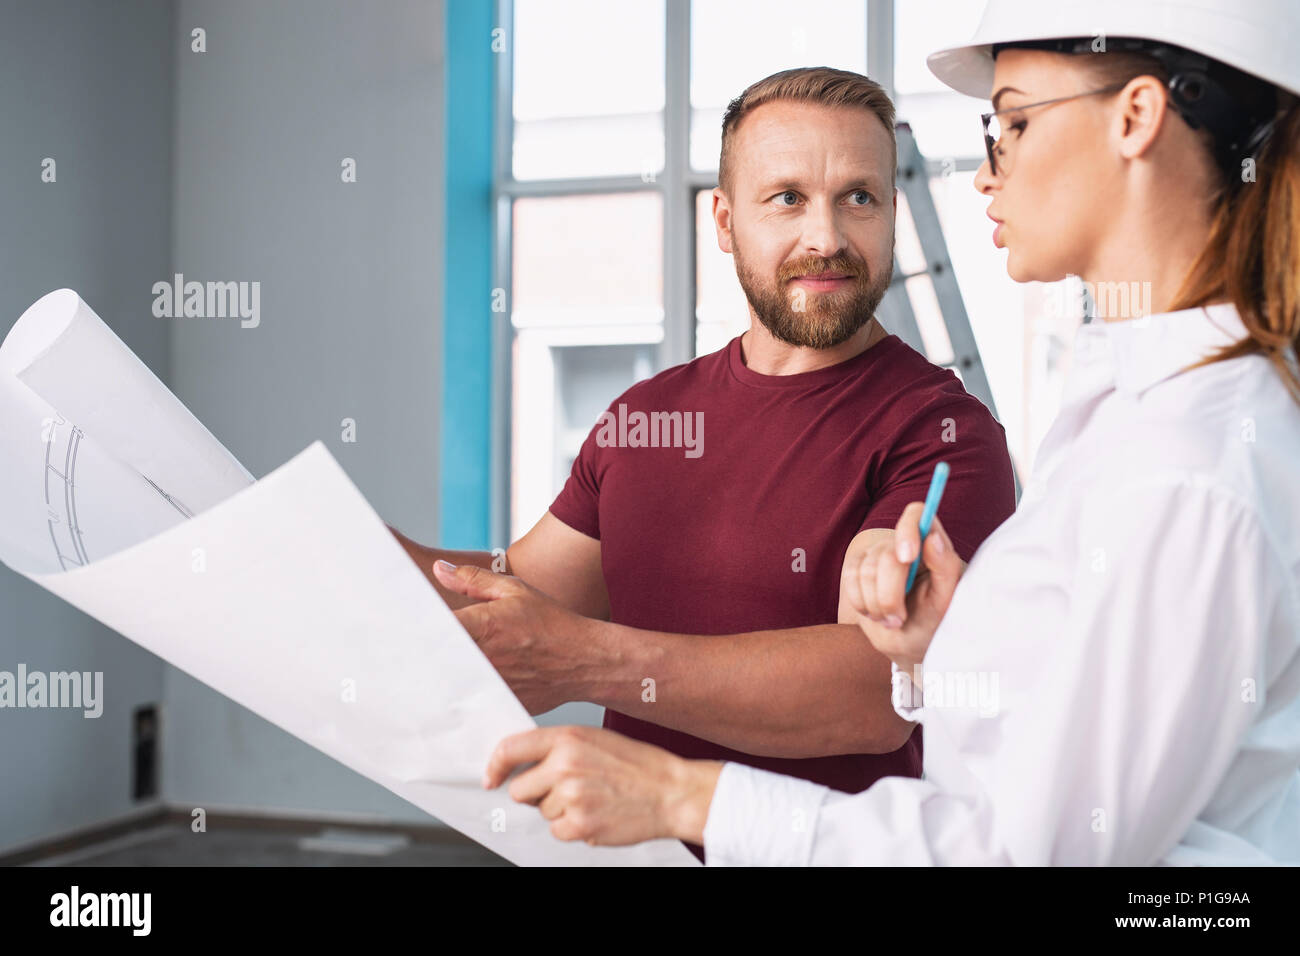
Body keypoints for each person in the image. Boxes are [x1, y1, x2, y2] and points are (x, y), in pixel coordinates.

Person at [481, 0, 1300, 865]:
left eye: (1014, 120)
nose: (988, 174)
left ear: (1135, 117)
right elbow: (1038, 765)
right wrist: (940, 653)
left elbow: (1028, 855)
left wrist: (684, 796)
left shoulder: (1184, 466)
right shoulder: (1129, 419)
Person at [392, 67, 1017, 861]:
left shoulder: (944, 434)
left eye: (857, 197)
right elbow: (513, 595)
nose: (824, 237)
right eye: (786, 197)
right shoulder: (646, 418)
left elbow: (872, 695)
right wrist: (347, 542)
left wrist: (585, 660)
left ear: (892, 213)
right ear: (724, 221)